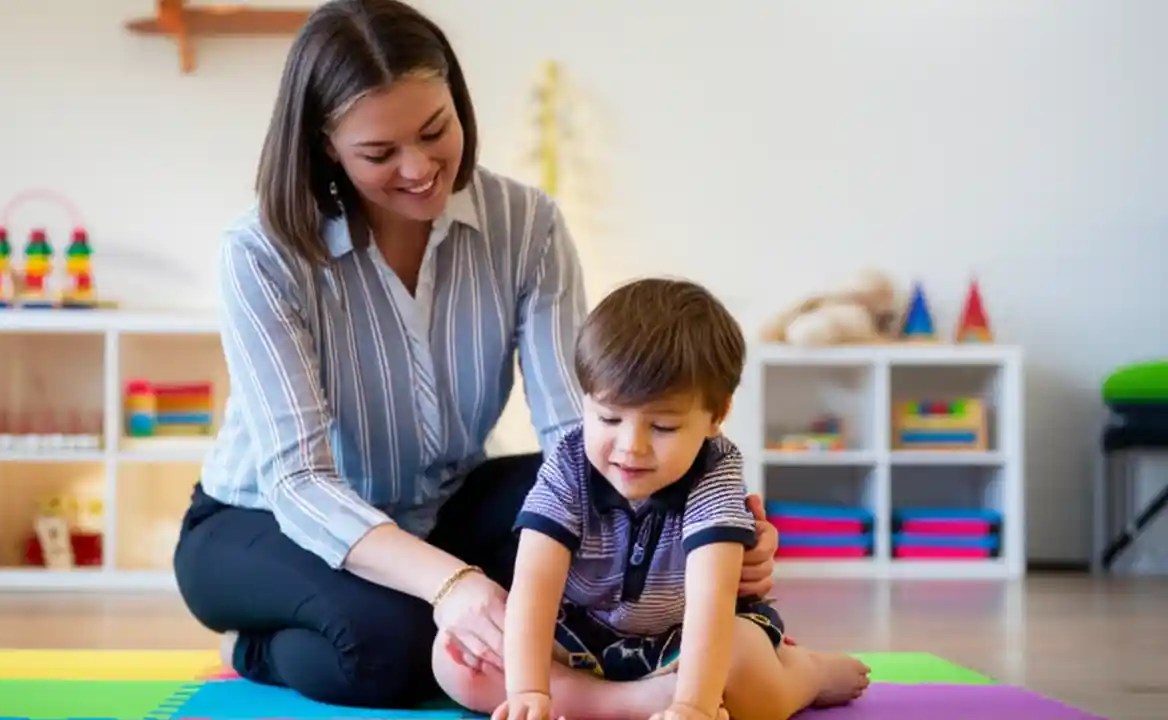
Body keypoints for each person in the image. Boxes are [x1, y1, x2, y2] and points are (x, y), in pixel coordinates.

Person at [172, 0, 779, 711]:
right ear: (325, 145)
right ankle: (252, 645)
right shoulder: (261, 253)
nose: (420, 168)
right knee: (393, 646)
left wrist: (705, 528)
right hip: (262, 520)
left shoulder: (527, 225)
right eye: (379, 153)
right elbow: (299, 479)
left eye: (436, 131)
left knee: (611, 504)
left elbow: (574, 435)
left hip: (444, 503)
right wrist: (451, 584)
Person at [434, 279, 871, 720]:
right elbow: (534, 586)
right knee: (454, 658)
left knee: (747, 679)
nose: (631, 447)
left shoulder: (714, 474)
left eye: (662, 427)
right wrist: (529, 693)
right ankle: (630, 704)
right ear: (585, 400)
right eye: (608, 418)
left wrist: (693, 706)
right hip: (582, 631)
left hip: (684, 639)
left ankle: (808, 673)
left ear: (715, 417)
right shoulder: (567, 464)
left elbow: (711, 602)